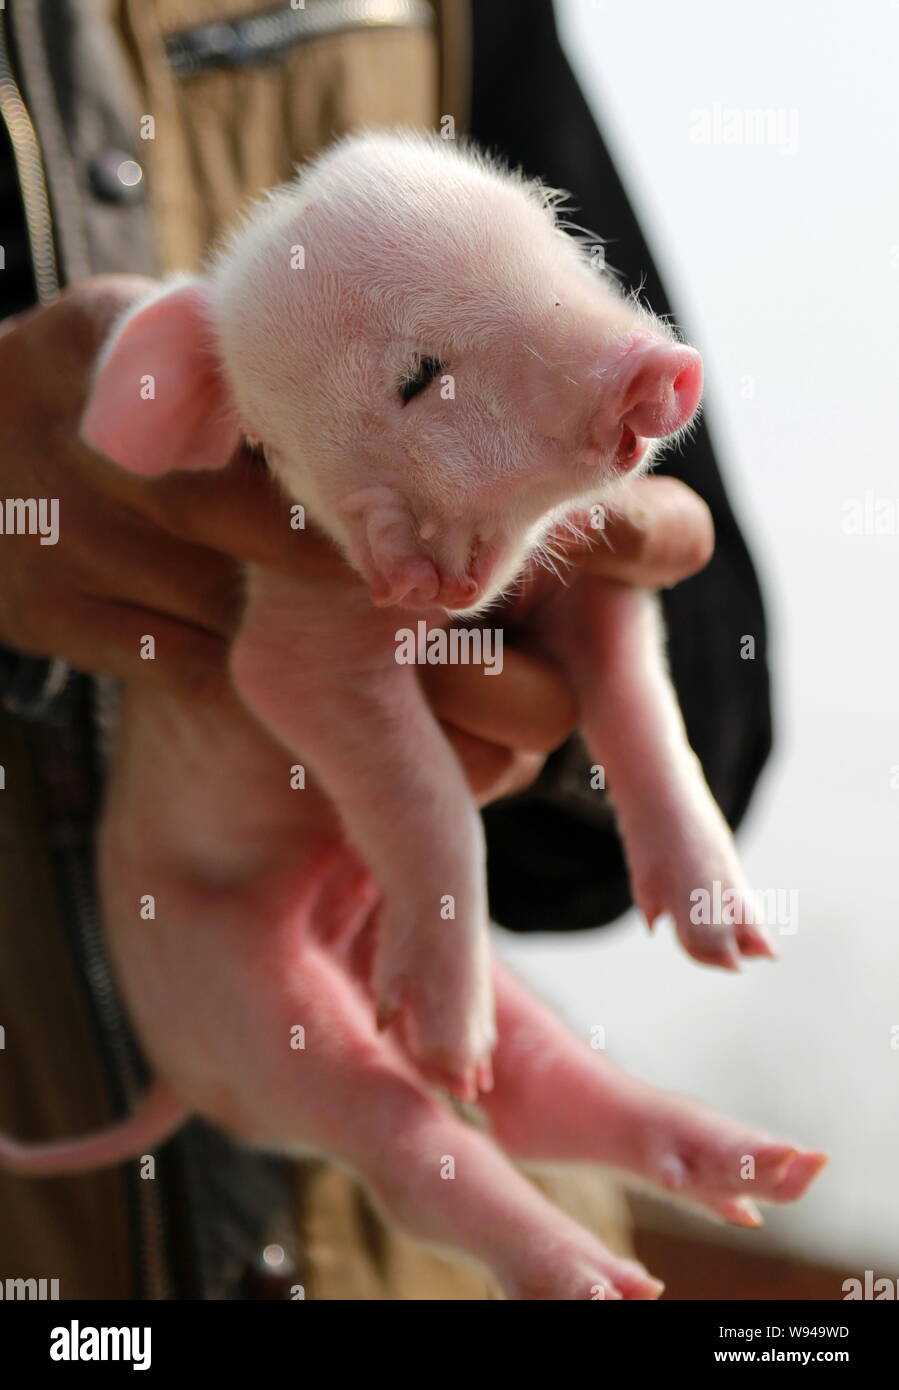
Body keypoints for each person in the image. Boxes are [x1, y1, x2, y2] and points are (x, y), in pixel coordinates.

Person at [0, 0, 770, 1299]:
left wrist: (585, 756)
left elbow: (702, 645)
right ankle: (542, 1226)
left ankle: (640, 1134)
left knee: (486, 1053)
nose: (441, 580)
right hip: (93, 1170)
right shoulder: (271, 393)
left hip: (383, 1266)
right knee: (389, 1096)